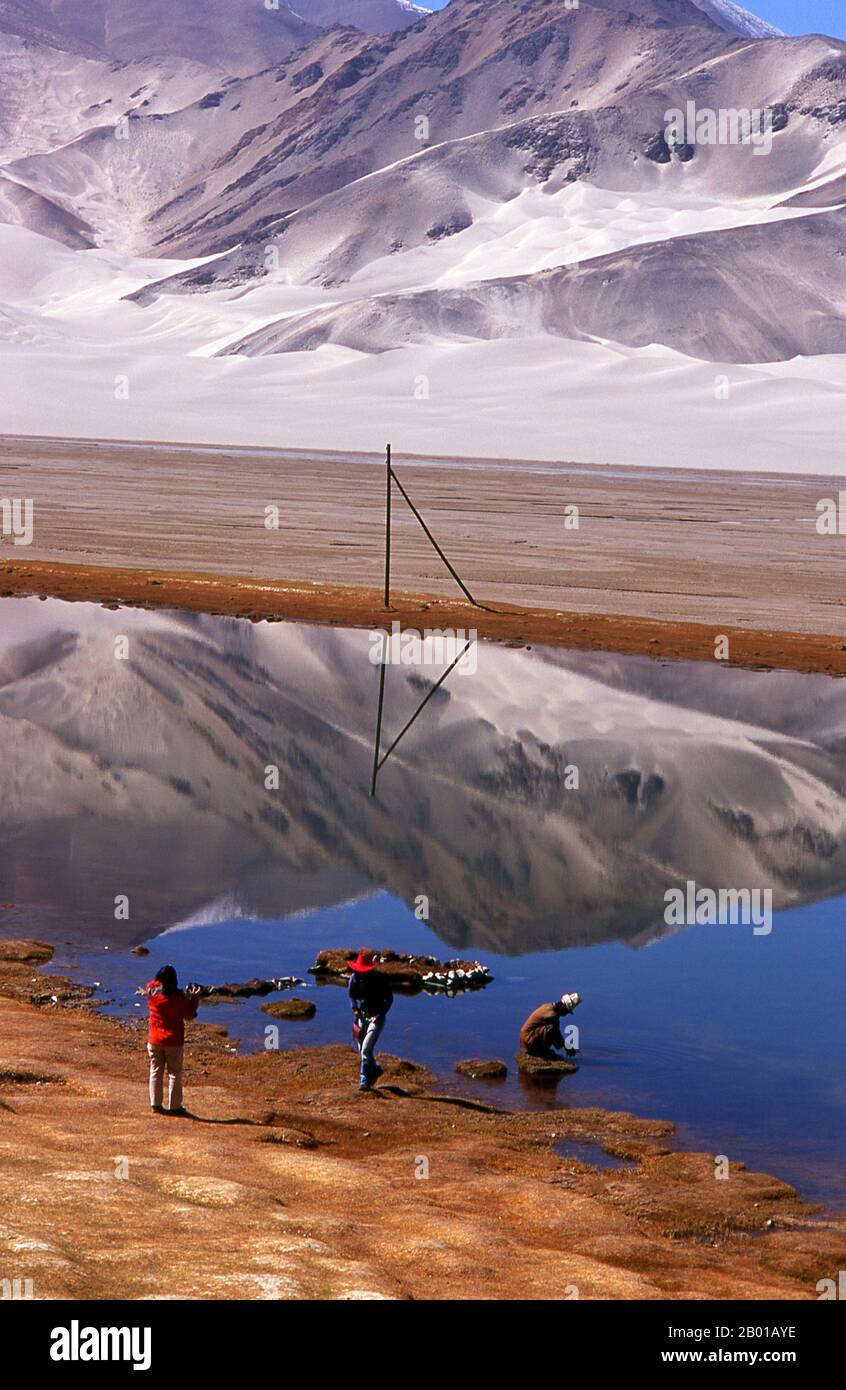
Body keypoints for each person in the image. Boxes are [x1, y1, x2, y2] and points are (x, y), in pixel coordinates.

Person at [146, 965, 200, 1115]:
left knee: (155, 1071)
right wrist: (194, 997)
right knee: (174, 1073)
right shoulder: (178, 998)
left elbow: (154, 984)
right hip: (173, 1040)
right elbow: (189, 1014)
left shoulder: (151, 991)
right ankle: (175, 1106)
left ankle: (155, 1105)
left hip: (154, 1039)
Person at [347, 949, 393, 1091]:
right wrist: (354, 1008)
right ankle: (376, 1070)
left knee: (366, 1049)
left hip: (376, 1018)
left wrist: (380, 1014)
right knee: (363, 1051)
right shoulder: (353, 979)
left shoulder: (380, 980)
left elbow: (389, 999)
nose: (361, 973)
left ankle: (364, 1080)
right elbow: (351, 996)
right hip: (362, 1016)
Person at [519, 992, 581, 1059]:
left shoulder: (548, 1006)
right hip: (528, 1040)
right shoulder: (552, 1015)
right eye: (567, 1011)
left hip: (525, 1038)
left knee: (552, 1029)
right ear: (563, 1007)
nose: (566, 1014)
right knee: (551, 1029)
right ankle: (541, 1053)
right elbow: (557, 1034)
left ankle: (541, 1050)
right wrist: (567, 1047)